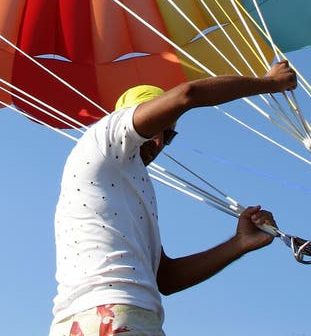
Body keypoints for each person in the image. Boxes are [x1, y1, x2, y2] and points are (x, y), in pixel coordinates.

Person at [49, 60, 297, 336]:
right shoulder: (104, 139)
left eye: (169, 136)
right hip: (106, 313)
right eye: (157, 128)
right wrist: (272, 83)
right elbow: (186, 95)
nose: (159, 143)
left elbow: (165, 278)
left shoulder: (134, 183)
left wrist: (239, 243)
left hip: (127, 318)